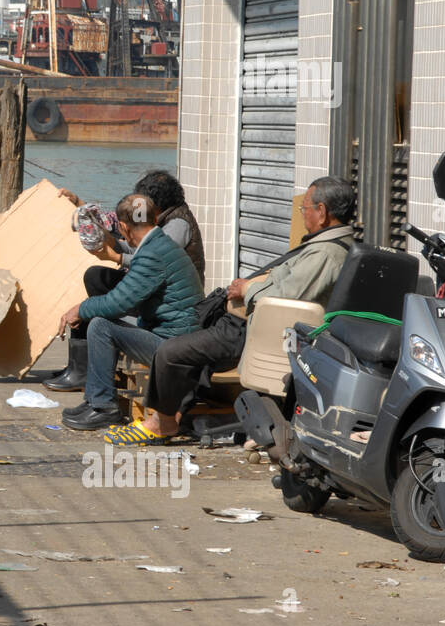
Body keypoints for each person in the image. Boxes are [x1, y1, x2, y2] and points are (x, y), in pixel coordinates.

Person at [106, 175, 357, 445]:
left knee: (170, 351)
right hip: (238, 323)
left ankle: (161, 423)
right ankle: (175, 416)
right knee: (190, 342)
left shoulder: (326, 254)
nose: (303, 213)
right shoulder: (322, 246)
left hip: (248, 328)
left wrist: (246, 290)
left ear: (322, 213)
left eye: (305, 208)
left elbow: (285, 295)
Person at [55, 193, 203, 431]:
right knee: (101, 320)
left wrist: (79, 309)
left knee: (100, 325)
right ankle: (94, 399)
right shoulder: (159, 244)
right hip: (174, 336)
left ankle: (103, 408)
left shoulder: (152, 254)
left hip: (174, 347)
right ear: (154, 218)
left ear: (123, 227)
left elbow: (118, 302)